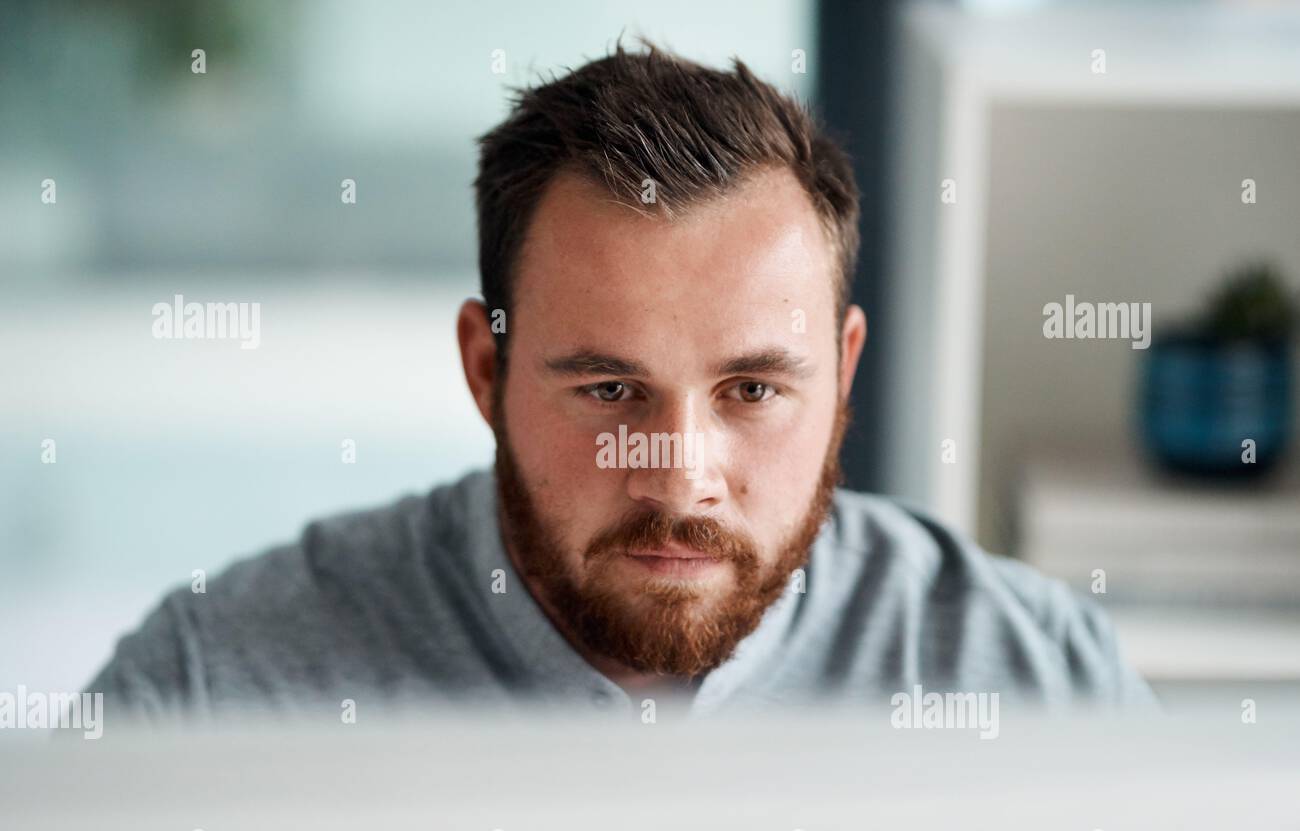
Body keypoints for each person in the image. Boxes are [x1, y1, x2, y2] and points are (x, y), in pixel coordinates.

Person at [87, 44, 1154, 722]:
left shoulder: (1029, 675)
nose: (677, 480)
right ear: (485, 368)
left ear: (843, 374)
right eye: (607, 391)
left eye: (750, 391)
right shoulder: (220, 683)